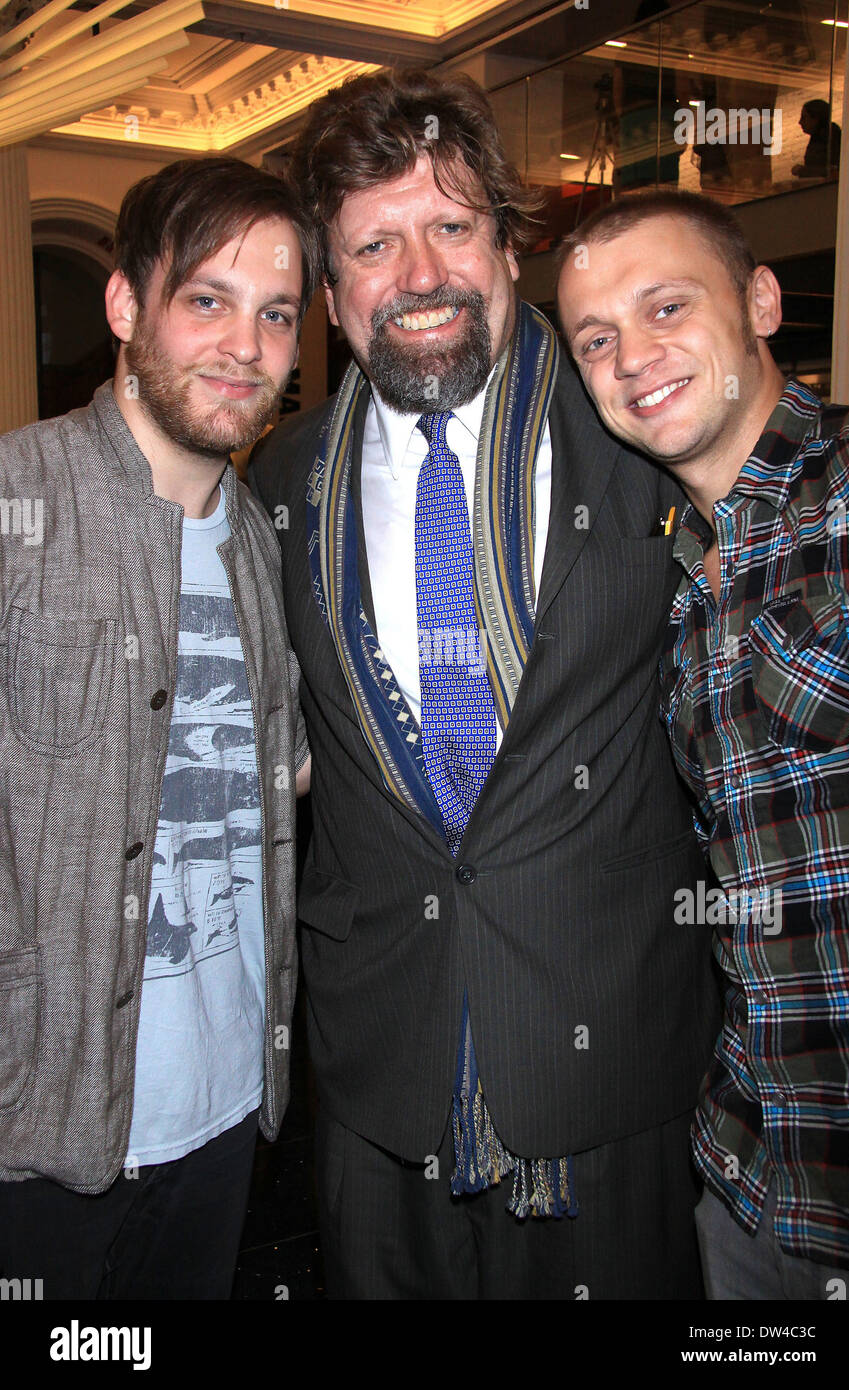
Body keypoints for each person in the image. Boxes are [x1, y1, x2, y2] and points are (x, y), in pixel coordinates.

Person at [248, 68, 719, 1301]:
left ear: (506, 245)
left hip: (607, 1071)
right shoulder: (279, 484)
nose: (417, 276)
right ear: (330, 292)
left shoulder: (639, 427)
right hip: (377, 1077)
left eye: (450, 227)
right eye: (373, 246)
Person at [0, 156, 315, 1299]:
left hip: (226, 1113)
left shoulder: (263, 543)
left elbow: (277, 780)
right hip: (41, 1133)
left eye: (275, 313)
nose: (245, 344)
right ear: (126, 306)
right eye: (206, 300)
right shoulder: (15, 507)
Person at [557, 189, 849, 1297]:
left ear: (762, 302)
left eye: (666, 307)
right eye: (596, 338)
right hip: (751, 1182)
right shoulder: (680, 573)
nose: (632, 356)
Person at [792, 99, 842, 179]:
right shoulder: (817, 137)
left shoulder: (831, 135)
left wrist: (803, 170)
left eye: (804, 117)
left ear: (816, 118)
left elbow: (834, 170)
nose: (800, 122)